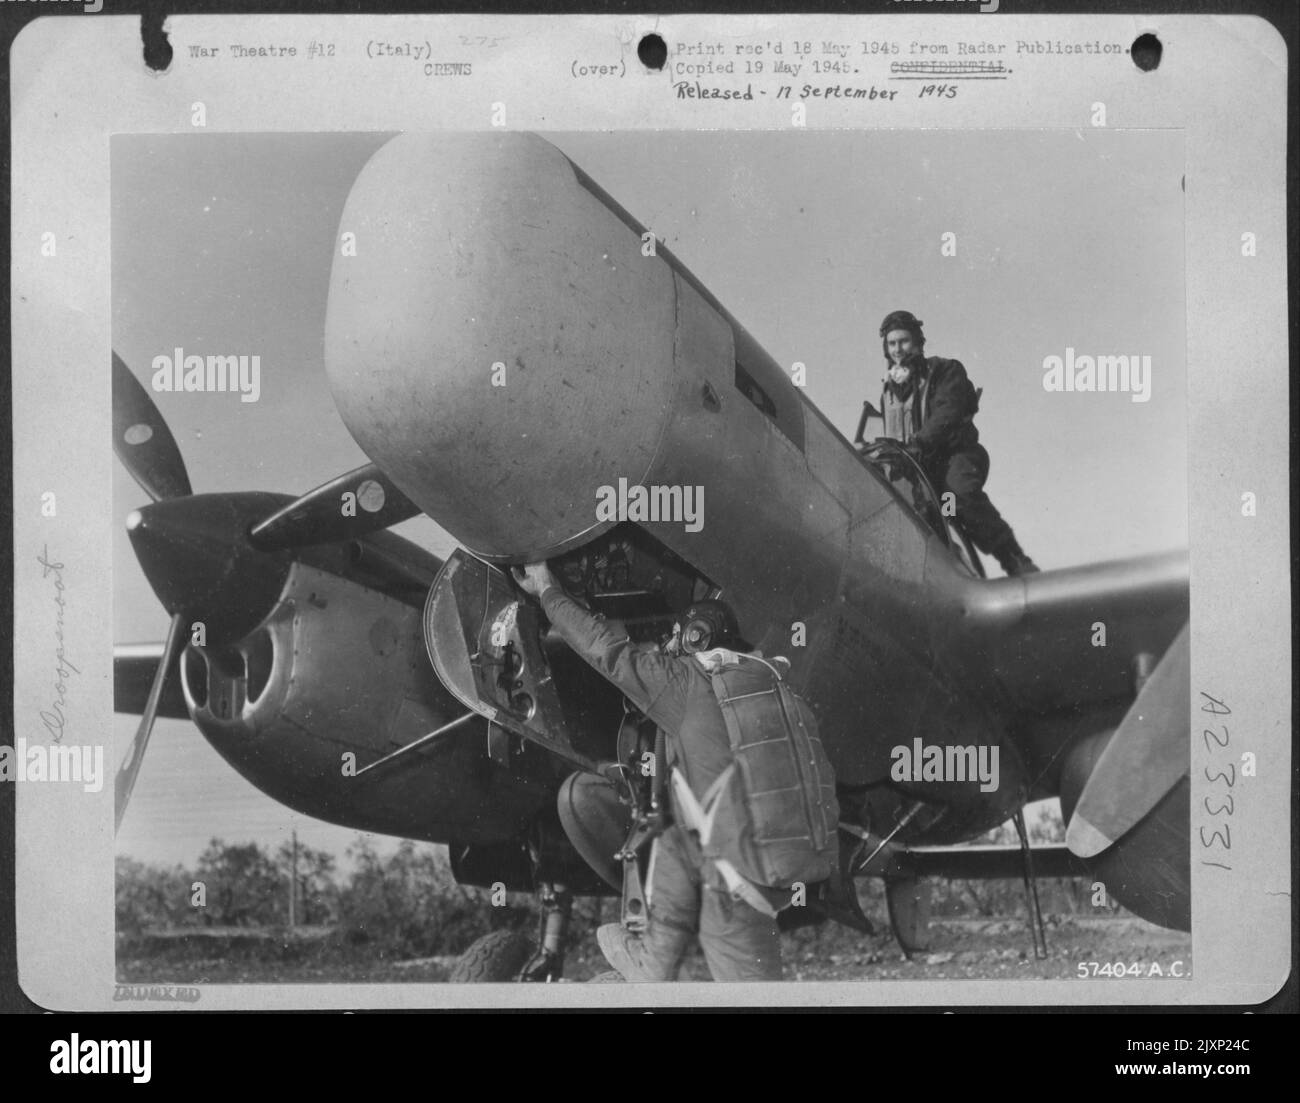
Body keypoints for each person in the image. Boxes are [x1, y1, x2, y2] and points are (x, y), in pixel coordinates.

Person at [512, 562, 789, 981]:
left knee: (646, 957)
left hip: (715, 872)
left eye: (678, 639)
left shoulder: (687, 686)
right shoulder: (767, 690)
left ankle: (654, 966)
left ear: (695, 639)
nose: (670, 645)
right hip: (765, 874)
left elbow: (606, 649)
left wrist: (549, 591)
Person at [860, 310, 1039, 577]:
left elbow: (948, 412)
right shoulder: (888, 390)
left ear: (918, 342)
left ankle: (1013, 558)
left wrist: (919, 444)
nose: (898, 349)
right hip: (917, 468)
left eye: (904, 341)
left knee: (958, 494)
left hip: (954, 456)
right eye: (892, 343)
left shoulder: (946, 370)